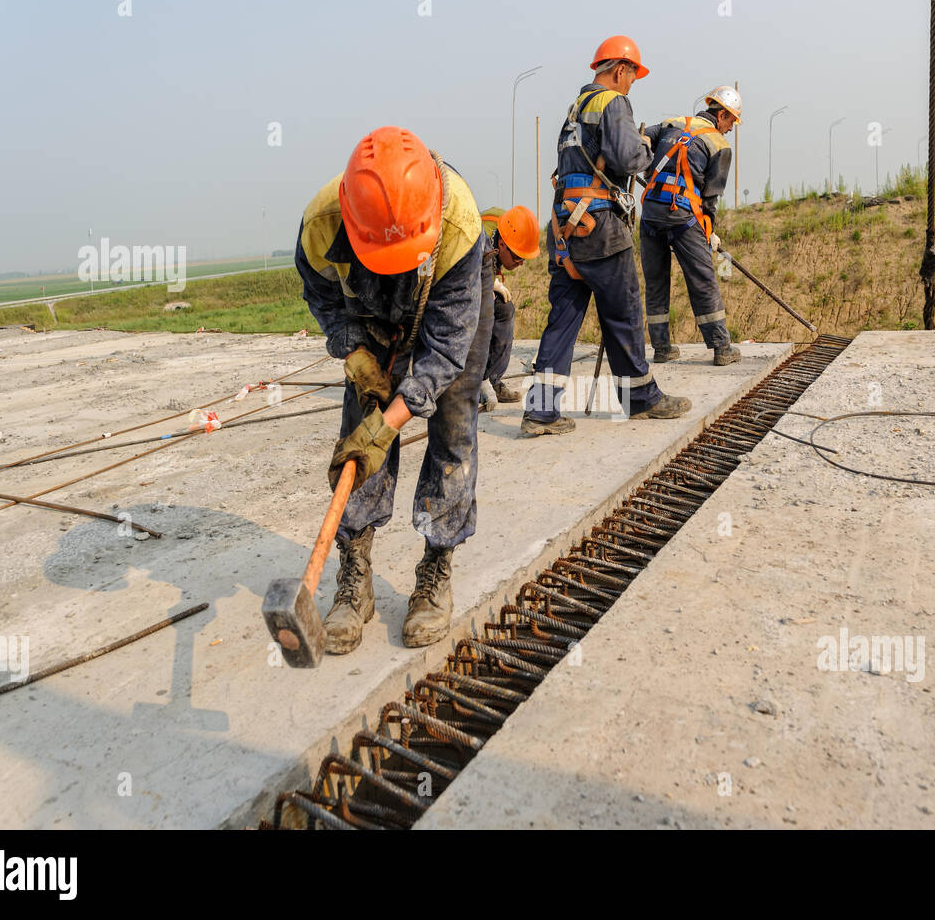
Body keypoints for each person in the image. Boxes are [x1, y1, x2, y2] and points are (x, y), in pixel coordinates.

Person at [296, 126, 492, 653]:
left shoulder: (458, 225)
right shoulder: (320, 225)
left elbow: (446, 350)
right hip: (371, 311)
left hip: (446, 301)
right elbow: (323, 296)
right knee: (359, 440)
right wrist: (353, 350)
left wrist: (392, 422)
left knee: (452, 429)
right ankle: (355, 578)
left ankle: (436, 566)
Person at [520, 35, 691, 436]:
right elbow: (628, 158)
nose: (632, 85)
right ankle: (641, 399)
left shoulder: (574, 108)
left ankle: (540, 412)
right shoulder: (613, 102)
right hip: (600, 230)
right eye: (632, 77)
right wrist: (646, 143)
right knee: (623, 314)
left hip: (566, 232)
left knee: (562, 319)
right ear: (619, 71)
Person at [640, 85, 743, 366]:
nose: (731, 128)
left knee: (656, 282)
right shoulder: (720, 146)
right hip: (682, 218)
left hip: (650, 212)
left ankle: (661, 348)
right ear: (721, 114)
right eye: (731, 121)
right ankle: (722, 348)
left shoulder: (671, 123)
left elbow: (641, 140)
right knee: (703, 280)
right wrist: (709, 231)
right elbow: (710, 198)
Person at [477, 205, 541, 407]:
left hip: (481, 278)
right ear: (502, 245)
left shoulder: (504, 225)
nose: (520, 263)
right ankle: (476, 380)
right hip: (458, 290)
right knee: (485, 310)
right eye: (517, 257)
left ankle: (491, 379)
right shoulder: (481, 243)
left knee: (504, 309)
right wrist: (488, 283)